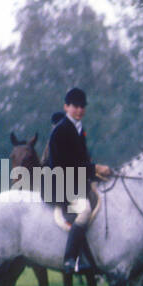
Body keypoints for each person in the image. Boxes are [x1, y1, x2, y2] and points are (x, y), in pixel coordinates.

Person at [46, 88, 111, 274]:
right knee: (84, 211)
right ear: (66, 106)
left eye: (82, 106)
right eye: (75, 106)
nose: (79, 110)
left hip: (75, 181)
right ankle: (69, 259)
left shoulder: (79, 129)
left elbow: (80, 160)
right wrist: (94, 169)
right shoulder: (61, 131)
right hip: (60, 184)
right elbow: (65, 165)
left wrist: (98, 172)